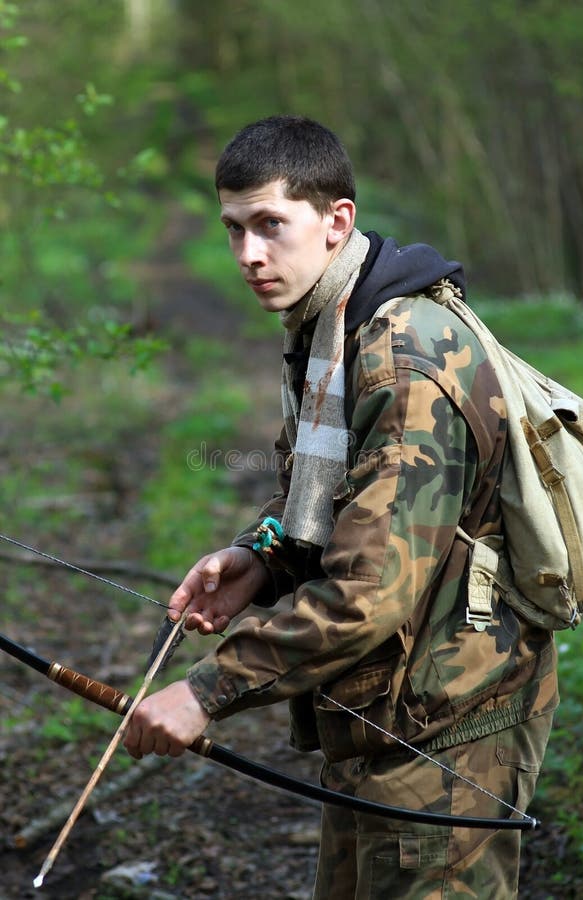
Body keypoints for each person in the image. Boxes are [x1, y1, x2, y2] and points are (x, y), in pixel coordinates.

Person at [123, 116, 558, 898]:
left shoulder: (404, 360)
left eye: (269, 226)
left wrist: (202, 693)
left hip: (451, 733)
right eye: (233, 230)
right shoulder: (335, 326)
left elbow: (367, 591)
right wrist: (258, 558)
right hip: (381, 713)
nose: (249, 255)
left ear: (336, 222)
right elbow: (324, 501)